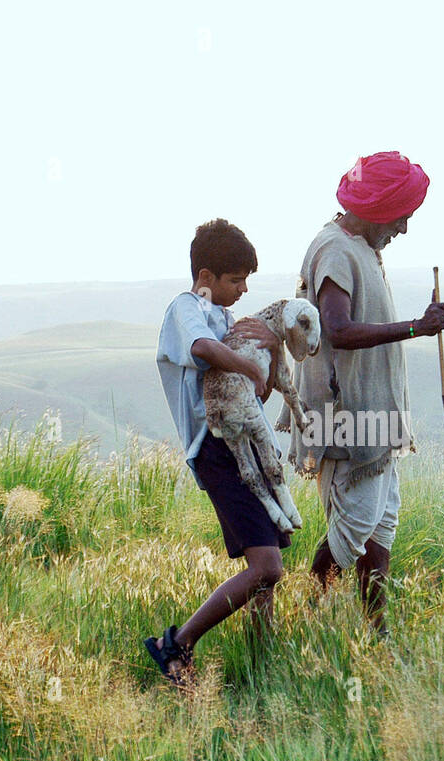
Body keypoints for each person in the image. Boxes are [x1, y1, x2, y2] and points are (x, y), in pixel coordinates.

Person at [280, 151, 444, 635]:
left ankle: (377, 632)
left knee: (379, 528)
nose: (403, 227)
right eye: (402, 216)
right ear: (378, 209)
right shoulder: (335, 250)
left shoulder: (359, 248)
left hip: (373, 421)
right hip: (347, 419)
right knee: (352, 531)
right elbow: (339, 329)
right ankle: (304, 620)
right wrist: (417, 328)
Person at [149, 218, 287, 687]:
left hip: (245, 443)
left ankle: (261, 666)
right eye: (235, 279)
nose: (244, 289)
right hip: (215, 449)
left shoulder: (227, 319)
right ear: (206, 276)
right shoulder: (187, 308)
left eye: (248, 279)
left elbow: (255, 394)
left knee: (267, 573)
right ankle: (176, 644)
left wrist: (268, 350)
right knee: (267, 566)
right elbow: (203, 348)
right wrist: (249, 360)